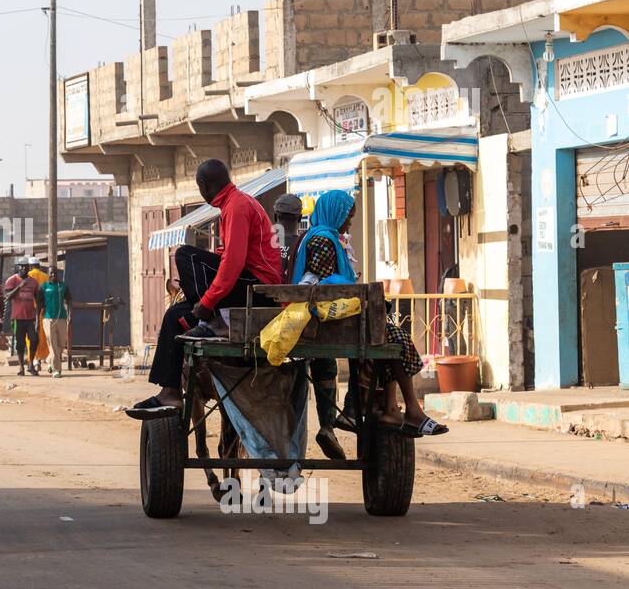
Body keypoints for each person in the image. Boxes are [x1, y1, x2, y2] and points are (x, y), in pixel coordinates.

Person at [129, 158, 283, 419]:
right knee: (173, 316)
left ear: (204, 185)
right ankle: (170, 391)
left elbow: (232, 264)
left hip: (258, 290)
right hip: (244, 286)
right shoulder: (231, 206)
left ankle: (212, 320)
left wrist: (208, 302)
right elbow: (225, 256)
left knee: (185, 255)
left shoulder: (237, 205)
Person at [290, 188, 447, 438]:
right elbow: (326, 286)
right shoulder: (322, 241)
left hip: (336, 316)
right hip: (330, 321)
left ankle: (391, 408)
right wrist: (357, 291)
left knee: (389, 337)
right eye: (347, 218)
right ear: (334, 214)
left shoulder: (325, 238)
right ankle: (407, 409)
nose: (349, 223)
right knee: (395, 338)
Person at [273, 193, 347, 461]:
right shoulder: (309, 240)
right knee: (325, 362)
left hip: (266, 322)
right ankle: (327, 425)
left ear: (275, 217)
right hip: (302, 321)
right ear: (300, 218)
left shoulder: (264, 240)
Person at [3, 257, 41, 377]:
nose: (24, 268)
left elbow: (38, 300)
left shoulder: (33, 282)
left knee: (34, 340)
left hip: (30, 317)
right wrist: (19, 287)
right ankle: (21, 367)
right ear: (18, 267)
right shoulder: (12, 280)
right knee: (20, 343)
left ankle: (30, 365)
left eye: (26, 266)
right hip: (18, 318)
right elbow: (7, 296)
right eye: (22, 266)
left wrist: (37, 318)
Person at [37, 267, 72, 377]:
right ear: (48, 274)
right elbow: (39, 305)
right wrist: (37, 320)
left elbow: (69, 300)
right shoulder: (43, 287)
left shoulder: (63, 286)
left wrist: (70, 313)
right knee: (52, 344)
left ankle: (49, 359)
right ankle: (57, 370)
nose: (53, 275)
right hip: (48, 319)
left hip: (61, 318)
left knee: (61, 344)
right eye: (51, 273)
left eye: (55, 273)